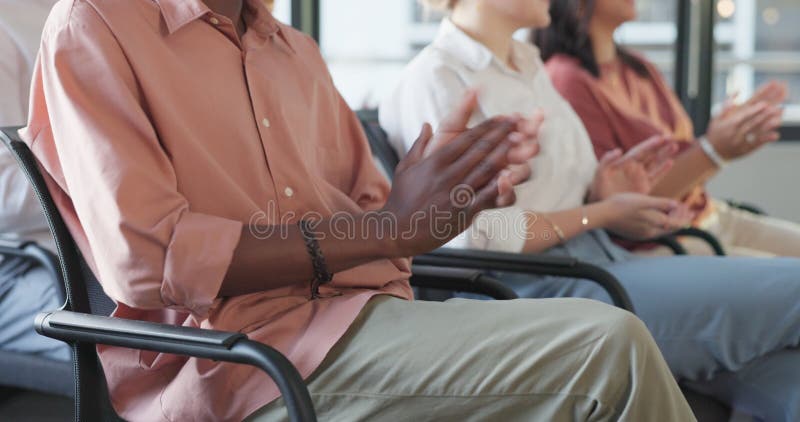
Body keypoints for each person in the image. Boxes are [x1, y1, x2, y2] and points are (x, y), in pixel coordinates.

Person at [21, 0, 694, 420]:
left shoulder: (295, 53)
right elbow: (147, 258)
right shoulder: (96, 24)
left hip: (365, 324)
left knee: (610, 340)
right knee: (611, 348)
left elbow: (383, 223)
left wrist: (446, 199)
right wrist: (391, 227)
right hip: (240, 366)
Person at [380, 0, 800, 420]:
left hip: (597, 262)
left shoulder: (526, 64)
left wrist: (605, 190)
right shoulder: (435, 77)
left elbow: (557, 195)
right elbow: (482, 234)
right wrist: (602, 213)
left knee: (789, 378)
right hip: (538, 290)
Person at [534, 0, 800, 257]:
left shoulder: (638, 67)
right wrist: (714, 150)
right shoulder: (567, 80)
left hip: (707, 216)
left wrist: (725, 136)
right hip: (659, 242)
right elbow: (616, 208)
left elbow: (685, 155)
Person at [0, 0, 68, 362]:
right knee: (188, 336)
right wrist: (111, 182)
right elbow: (3, 196)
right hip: (28, 264)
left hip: (115, 250)